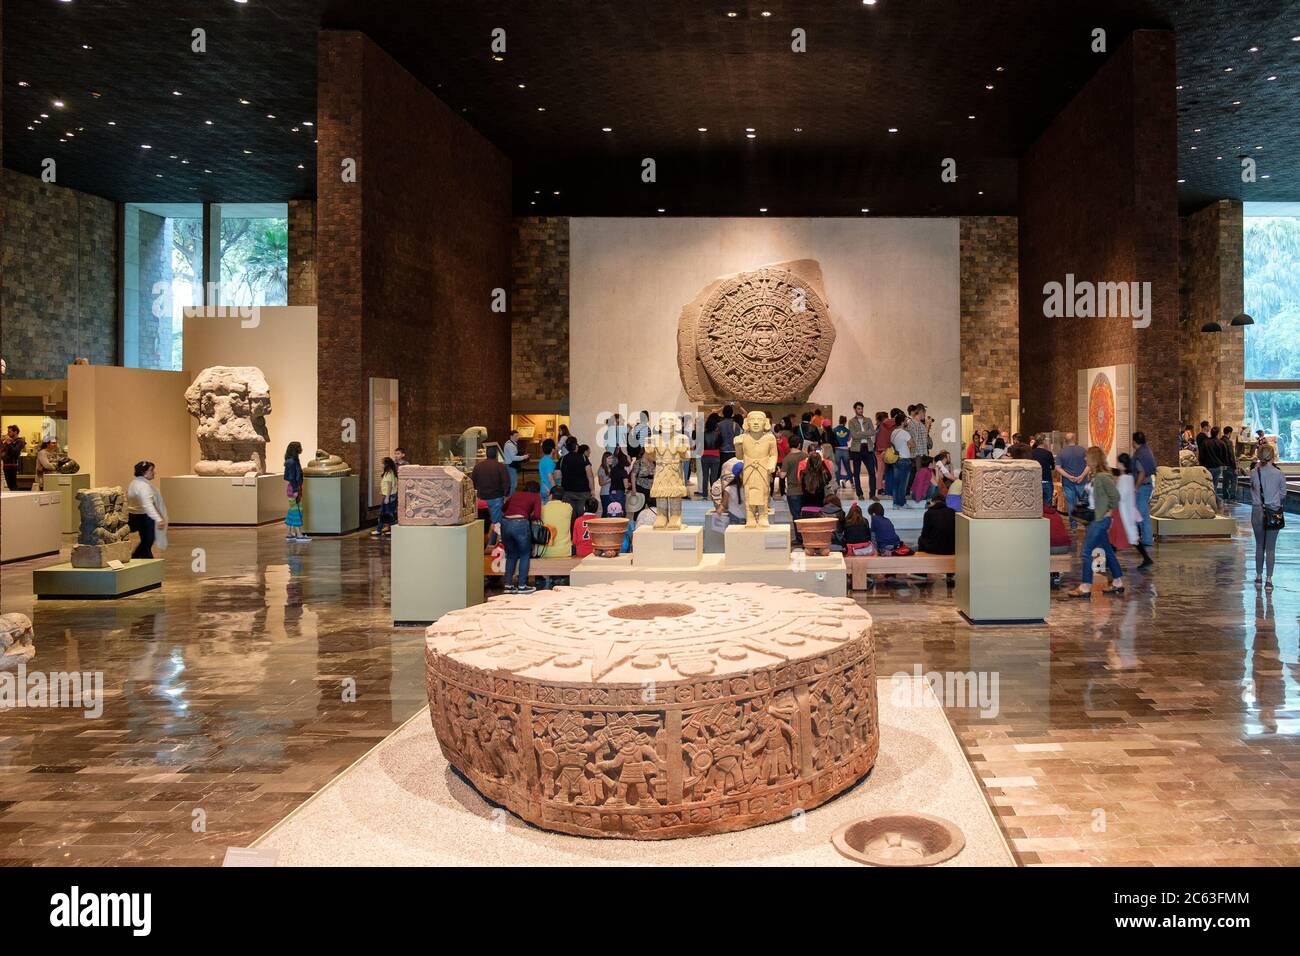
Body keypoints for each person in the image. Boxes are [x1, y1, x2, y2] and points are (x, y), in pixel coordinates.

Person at [1069, 446, 1124, 597]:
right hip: (1095, 518)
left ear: (1093, 459)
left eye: (1087, 456)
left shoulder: (1103, 477)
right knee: (1107, 551)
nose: (1085, 458)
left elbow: (1116, 498)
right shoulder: (1095, 477)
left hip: (1100, 520)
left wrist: (1108, 513)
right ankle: (1118, 582)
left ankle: (1086, 586)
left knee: (1086, 552)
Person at [1250, 444, 1285, 590]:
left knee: (1259, 545)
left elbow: (1253, 489)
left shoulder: (1254, 472)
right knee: (1271, 548)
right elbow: (1283, 494)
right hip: (1273, 511)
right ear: (1273, 455)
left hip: (1258, 511)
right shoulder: (1279, 474)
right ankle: (1269, 580)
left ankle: (1258, 576)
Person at [501, 479, 542, 594]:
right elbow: (538, 515)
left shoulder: (515, 494)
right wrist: (528, 516)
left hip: (505, 523)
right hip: (520, 523)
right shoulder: (535, 496)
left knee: (511, 555)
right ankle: (522, 586)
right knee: (524, 554)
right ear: (537, 490)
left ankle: (508, 585)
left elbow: (503, 509)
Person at [1116, 452, 1153, 568]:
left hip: (1124, 512)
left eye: (1118, 462)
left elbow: (1120, 496)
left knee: (1129, 537)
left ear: (1122, 465)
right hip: (1127, 511)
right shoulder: (1129, 478)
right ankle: (1146, 558)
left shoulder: (1123, 479)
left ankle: (1147, 559)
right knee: (1132, 537)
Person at [127, 460, 168, 559]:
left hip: (133, 515)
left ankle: (142, 559)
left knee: (146, 543)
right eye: (151, 470)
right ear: (144, 473)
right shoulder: (144, 487)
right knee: (147, 542)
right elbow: (147, 505)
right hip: (144, 518)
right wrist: (158, 519)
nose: (154, 472)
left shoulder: (133, 483)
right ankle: (136, 558)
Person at [471, 446, 511, 540]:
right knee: (496, 522)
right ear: (496, 455)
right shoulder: (500, 466)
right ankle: (492, 543)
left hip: (481, 498)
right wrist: (506, 495)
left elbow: (472, 481)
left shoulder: (478, 466)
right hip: (497, 497)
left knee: (482, 521)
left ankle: (481, 542)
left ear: (486, 454)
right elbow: (506, 482)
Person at [559, 437, 595, 527]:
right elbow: (590, 475)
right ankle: (581, 538)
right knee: (582, 517)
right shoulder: (583, 458)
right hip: (583, 492)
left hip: (567, 492)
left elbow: (557, 476)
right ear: (576, 446)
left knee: (570, 517)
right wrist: (592, 490)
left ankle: (572, 538)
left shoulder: (562, 459)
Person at [1056, 432, 1088, 531]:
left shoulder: (1061, 452)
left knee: (1071, 505)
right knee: (1084, 504)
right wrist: (1081, 476)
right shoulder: (1083, 450)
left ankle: (1073, 526)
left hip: (1068, 483)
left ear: (1065, 440)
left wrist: (1069, 476)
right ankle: (1086, 525)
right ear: (1075, 439)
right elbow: (1089, 465)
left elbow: (1058, 468)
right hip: (1082, 482)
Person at [1131, 430, 1156, 550]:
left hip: (1142, 486)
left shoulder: (1140, 454)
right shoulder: (1146, 450)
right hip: (1146, 485)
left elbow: (1142, 472)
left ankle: (1144, 539)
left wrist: (1135, 487)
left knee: (1141, 513)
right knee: (1142, 513)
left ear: (1134, 442)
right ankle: (1143, 538)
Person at [847, 402, 876, 500]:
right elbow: (854, 435)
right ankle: (860, 494)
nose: (861, 410)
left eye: (862, 408)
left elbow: (872, 432)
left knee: (872, 472)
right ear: (855, 409)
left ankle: (872, 494)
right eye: (859, 408)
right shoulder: (851, 421)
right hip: (856, 449)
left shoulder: (868, 420)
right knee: (857, 472)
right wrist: (865, 433)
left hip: (868, 448)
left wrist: (861, 433)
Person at [284, 441, 309, 542]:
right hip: (294, 488)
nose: (301, 449)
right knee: (298, 510)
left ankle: (290, 533)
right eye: (299, 447)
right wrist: (295, 490)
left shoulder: (293, 460)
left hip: (295, 487)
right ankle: (298, 533)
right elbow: (291, 477)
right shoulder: (292, 462)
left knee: (293, 509)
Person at [889, 410, 915, 508]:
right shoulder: (905, 433)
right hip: (905, 459)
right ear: (902, 422)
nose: (906, 422)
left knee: (896, 482)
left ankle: (895, 503)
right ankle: (902, 503)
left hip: (896, 459)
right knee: (903, 483)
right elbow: (912, 444)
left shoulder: (893, 433)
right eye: (905, 420)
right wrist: (908, 444)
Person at [541, 486, 574, 557]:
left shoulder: (542, 509)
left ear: (551, 495)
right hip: (564, 552)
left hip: (544, 552)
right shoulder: (568, 508)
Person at [372, 457, 398, 536]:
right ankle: (390, 529)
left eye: (382, 463)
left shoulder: (389, 473)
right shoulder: (390, 472)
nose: (381, 464)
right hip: (390, 495)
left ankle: (379, 530)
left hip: (389, 496)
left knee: (385, 513)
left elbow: (389, 486)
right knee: (388, 513)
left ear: (386, 464)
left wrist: (387, 497)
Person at [799, 450, 830, 515]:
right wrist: (823, 462)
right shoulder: (822, 475)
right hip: (819, 508)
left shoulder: (802, 473)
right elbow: (829, 477)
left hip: (805, 507)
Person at [700, 412, 722, 498]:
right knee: (714, 476)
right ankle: (714, 493)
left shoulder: (703, 434)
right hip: (716, 456)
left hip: (705, 456)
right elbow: (720, 444)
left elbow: (700, 445)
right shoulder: (718, 434)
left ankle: (704, 494)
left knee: (705, 476)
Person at [1029, 433, 1056, 504]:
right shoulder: (1048, 453)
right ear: (1044, 441)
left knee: (1035, 504)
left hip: (1034, 481)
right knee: (1047, 506)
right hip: (1047, 481)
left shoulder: (1031, 453)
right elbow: (1053, 467)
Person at [502, 430, 529, 496]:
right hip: (510, 466)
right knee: (513, 484)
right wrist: (524, 457)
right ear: (511, 436)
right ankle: (511, 498)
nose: (517, 437)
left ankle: (510, 497)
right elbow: (513, 457)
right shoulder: (510, 445)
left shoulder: (511, 443)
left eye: (518, 436)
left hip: (510, 465)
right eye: (516, 436)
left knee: (513, 483)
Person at [874, 411, 893, 499]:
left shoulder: (879, 427)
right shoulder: (891, 424)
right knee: (888, 471)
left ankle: (879, 488)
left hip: (879, 451)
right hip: (887, 450)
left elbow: (878, 439)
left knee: (880, 471)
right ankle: (885, 488)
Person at [2, 425, 25, 490]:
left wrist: (9, 444)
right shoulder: (8, 441)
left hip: (12, 465)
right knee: (8, 485)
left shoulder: (20, 441)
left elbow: (16, 452)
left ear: (15, 432)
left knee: (13, 485)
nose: (8, 434)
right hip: (5, 465)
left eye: (9, 432)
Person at [832, 415, 852, 490]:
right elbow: (848, 439)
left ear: (839, 420)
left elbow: (833, 439)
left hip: (837, 449)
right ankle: (852, 483)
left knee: (838, 467)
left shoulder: (834, 430)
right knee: (847, 467)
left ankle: (837, 483)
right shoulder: (847, 430)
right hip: (845, 449)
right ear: (845, 421)